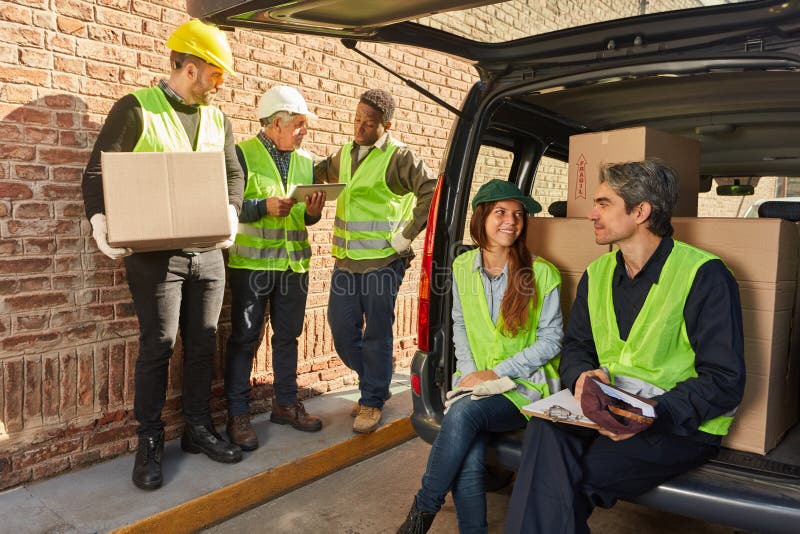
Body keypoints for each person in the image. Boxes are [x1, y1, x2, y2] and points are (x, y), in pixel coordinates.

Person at [504, 160, 746, 534]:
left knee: (564, 479)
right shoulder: (597, 274)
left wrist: (650, 414)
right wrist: (582, 377)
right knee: (544, 431)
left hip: (678, 423)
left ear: (640, 211)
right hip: (605, 407)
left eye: (603, 203)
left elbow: (725, 379)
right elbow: (577, 347)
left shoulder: (705, 275)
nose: (591, 214)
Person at [81, 19, 245, 490]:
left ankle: (197, 428)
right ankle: (149, 439)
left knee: (202, 345)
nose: (219, 85)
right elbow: (97, 173)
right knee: (159, 347)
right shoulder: (136, 109)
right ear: (191, 69)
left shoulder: (218, 120)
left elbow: (234, 175)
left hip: (209, 255)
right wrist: (100, 223)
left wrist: (232, 211)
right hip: (157, 258)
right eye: (216, 75)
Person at [398, 179, 563, 534]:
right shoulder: (462, 267)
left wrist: (495, 373)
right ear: (481, 217)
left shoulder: (542, 272)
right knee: (469, 451)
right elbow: (460, 324)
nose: (511, 221)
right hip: (478, 384)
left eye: (518, 214)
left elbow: (553, 340)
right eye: (501, 212)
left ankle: (422, 513)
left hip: (525, 387)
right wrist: (472, 375)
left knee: (462, 416)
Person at [315, 89, 437, 433]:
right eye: (356, 120)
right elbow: (317, 173)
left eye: (369, 123)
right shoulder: (344, 154)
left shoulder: (399, 157)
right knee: (341, 330)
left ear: (386, 125)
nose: (360, 128)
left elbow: (431, 188)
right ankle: (377, 382)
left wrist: (406, 234)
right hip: (346, 261)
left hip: (383, 262)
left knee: (377, 335)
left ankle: (371, 400)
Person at [224, 86, 325, 451]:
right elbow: (227, 205)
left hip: (293, 265)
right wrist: (261, 207)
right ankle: (237, 414)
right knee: (245, 339)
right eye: (298, 124)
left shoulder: (306, 160)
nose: (303, 131)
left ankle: (285, 403)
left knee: (288, 336)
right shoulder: (242, 154)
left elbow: (307, 218)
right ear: (275, 124)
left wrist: (312, 211)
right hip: (252, 265)